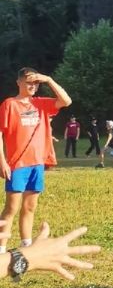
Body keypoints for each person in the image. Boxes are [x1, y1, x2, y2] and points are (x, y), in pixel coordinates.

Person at [0, 68, 71, 254]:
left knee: (30, 206)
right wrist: (2, 161)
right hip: (17, 164)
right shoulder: (9, 104)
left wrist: (48, 80)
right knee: (11, 208)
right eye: (28, 82)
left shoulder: (40, 104)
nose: (32, 86)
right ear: (19, 83)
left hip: (36, 163)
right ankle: (1, 248)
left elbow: (66, 101)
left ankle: (26, 246)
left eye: (35, 83)